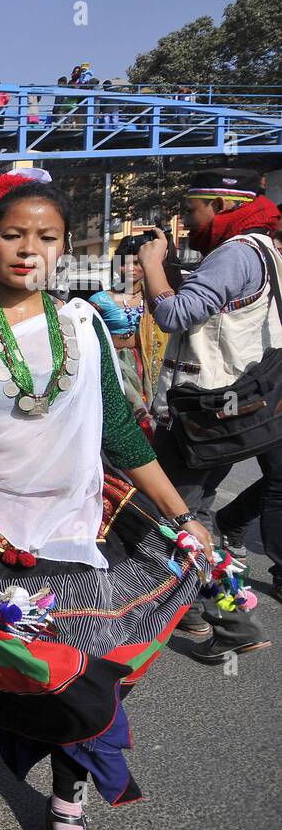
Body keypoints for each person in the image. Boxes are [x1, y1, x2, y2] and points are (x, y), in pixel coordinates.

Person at [0, 168, 214, 830]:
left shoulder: (83, 323)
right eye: (13, 234)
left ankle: (71, 790)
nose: (28, 248)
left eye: (46, 236)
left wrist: (183, 516)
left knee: (82, 663)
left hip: (73, 523)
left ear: (64, 248)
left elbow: (119, 430)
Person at [144, 168, 280, 661]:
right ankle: (199, 614)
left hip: (206, 408)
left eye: (191, 207)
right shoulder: (268, 250)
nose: (185, 216)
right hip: (240, 408)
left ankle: (228, 622)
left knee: (176, 513)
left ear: (221, 205)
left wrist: (153, 265)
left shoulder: (236, 251)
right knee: (191, 509)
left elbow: (177, 315)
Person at [89, 234, 163, 436]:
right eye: (124, 263)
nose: (131, 268)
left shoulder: (155, 300)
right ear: (115, 266)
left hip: (149, 364)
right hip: (115, 365)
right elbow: (87, 335)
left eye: (138, 263)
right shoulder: (99, 300)